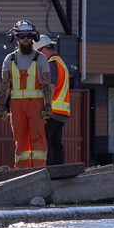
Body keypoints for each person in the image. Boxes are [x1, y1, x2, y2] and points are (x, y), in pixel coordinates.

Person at [2, 20, 51, 169]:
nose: (25, 40)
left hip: (36, 106)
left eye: (28, 36)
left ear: (33, 37)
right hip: (16, 107)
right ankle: (21, 171)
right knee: (20, 140)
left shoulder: (41, 58)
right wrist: (2, 106)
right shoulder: (9, 59)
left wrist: (48, 105)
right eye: (22, 36)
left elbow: (46, 84)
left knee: (38, 138)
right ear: (16, 38)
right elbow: (5, 85)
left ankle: (38, 170)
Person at [36, 34, 70, 166]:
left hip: (52, 111)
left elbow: (50, 86)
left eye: (38, 52)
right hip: (61, 113)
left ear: (43, 50)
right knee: (56, 143)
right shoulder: (61, 62)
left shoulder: (51, 63)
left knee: (46, 142)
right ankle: (59, 169)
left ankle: (51, 170)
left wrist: (46, 107)